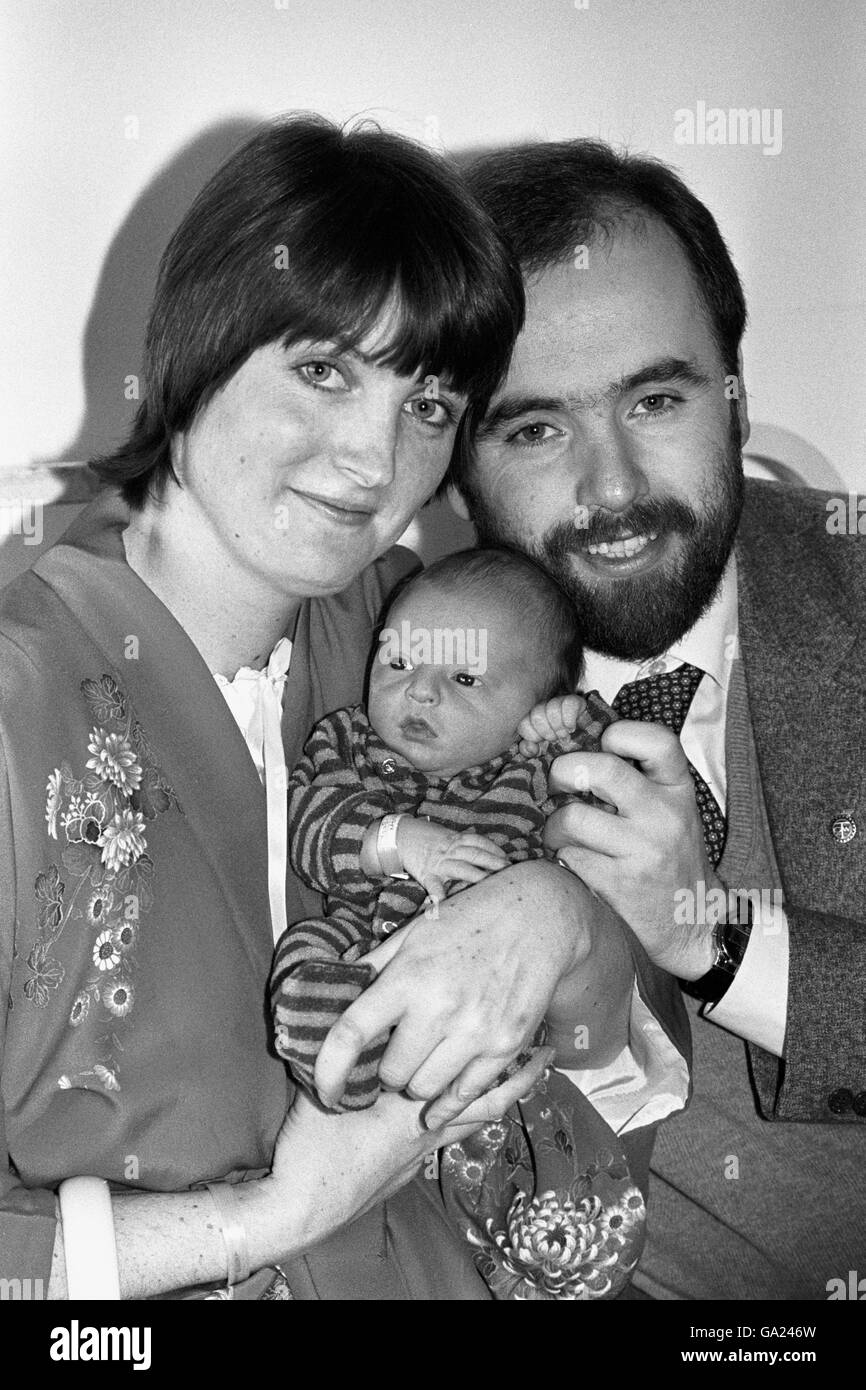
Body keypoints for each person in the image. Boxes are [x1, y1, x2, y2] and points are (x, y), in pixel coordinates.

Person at [0, 115, 670, 1301]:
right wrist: (267, 1218)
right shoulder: (17, 708)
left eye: (427, 404)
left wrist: (556, 917)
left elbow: (603, 1040)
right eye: (321, 369)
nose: (373, 460)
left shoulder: (417, 635)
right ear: (193, 354)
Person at [447, 137, 866, 1300]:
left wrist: (717, 941)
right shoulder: (397, 660)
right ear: (453, 467)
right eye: (533, 429)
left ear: (738, 396)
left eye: (656, 397)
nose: (613, 486)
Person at [270, 547, 688, 1299]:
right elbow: (309, 829)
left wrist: (578, 727)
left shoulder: (531, 771)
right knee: (304, 965)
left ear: (533, 704)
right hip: (365, 940)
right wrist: (393, 840)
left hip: (504, 1013)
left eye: (462, 679)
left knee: (536, 1133)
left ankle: (549, 1245)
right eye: (397, 664)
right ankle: (343, 1066)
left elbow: (611, 821)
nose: (418, 695)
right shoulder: (348, 742)